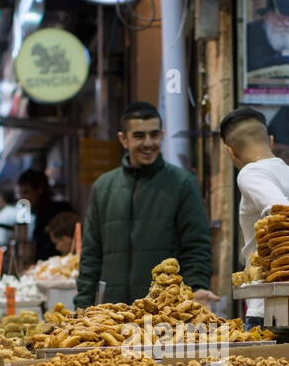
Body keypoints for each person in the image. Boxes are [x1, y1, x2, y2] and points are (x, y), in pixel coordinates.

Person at [76, 102, 214, 308]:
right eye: (139, 136)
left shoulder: (182, 183)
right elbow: (91, 255)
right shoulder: (103, 188)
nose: (148, 143)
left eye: (155, 135)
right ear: (123, 139)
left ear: (162, 135)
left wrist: (196, 289)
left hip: (165, 310)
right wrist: (83, 304)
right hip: (113, 312)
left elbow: (196, 247)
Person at [219, 107, 289, 326]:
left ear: (230, 151)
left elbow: (281, 211)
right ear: (270, 141)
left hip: (268, 308)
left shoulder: (250, 173)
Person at [16, 169, 75, 265]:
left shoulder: (60, 213)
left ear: (39, 190)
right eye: (20, 193)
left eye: (26, 192)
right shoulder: (39, 216)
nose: (22, 198)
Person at [246, 0, 289, 74]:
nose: (286, 24)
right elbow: (252, 64)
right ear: (267, 17)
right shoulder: (251, 31)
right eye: (279, 19)